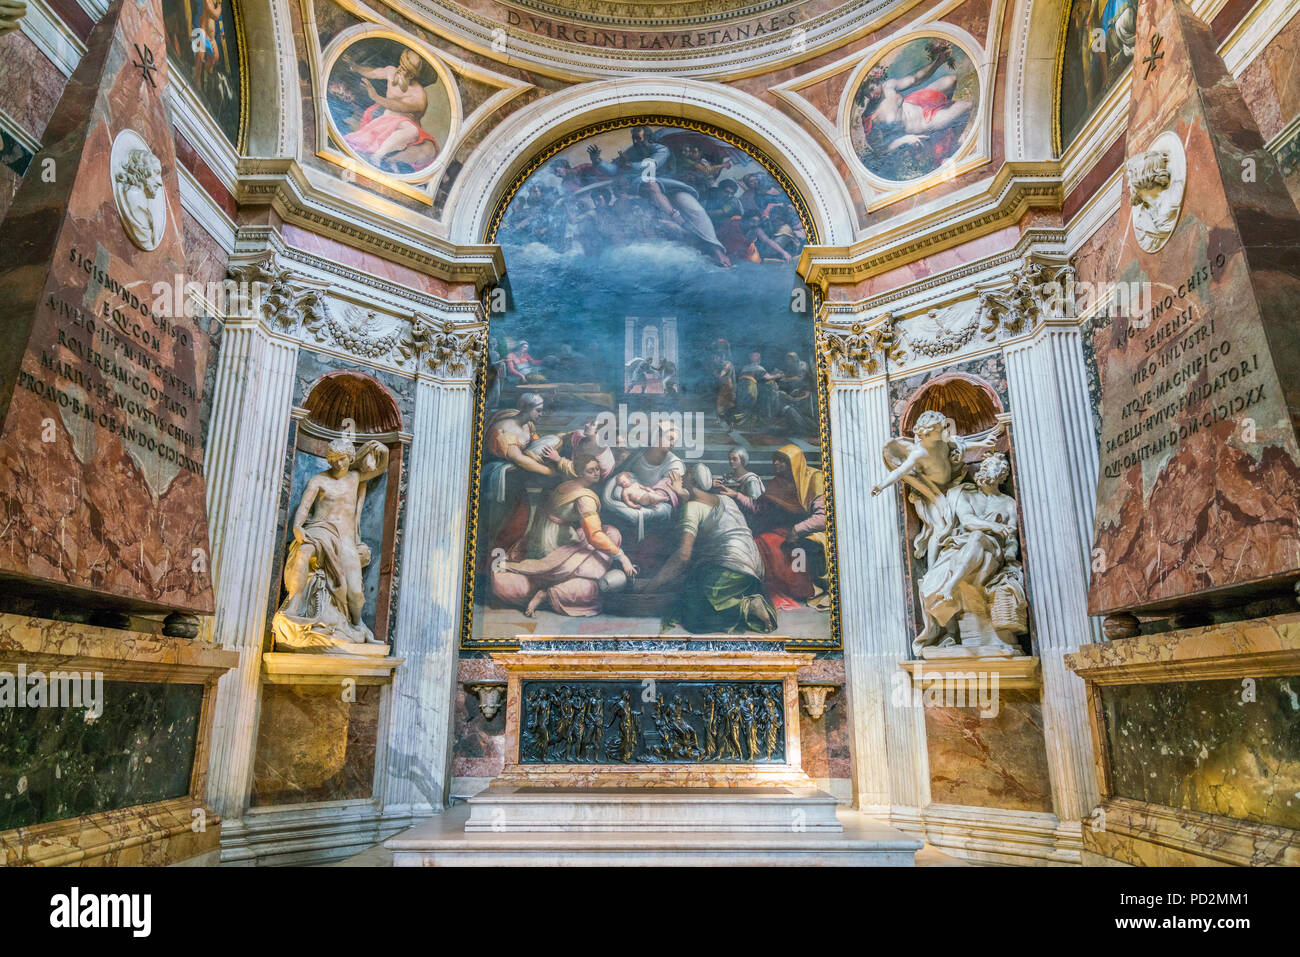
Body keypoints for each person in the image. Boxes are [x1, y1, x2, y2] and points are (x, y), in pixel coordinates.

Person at [273, 438, 389, 647]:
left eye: (342, 459)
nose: (337, 464)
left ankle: (356, 623)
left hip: (345, 538)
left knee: (354, 591)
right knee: (304, 551)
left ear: (350, 458)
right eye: (333, 460)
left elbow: (380, 467)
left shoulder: (355, 477)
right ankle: (294, 604)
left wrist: (380, 449)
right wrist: (297, 528)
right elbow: (304, 507)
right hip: (320, 528)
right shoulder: (319, 480)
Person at [638, 464, 778, 634]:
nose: (682, 476)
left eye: (687, 474)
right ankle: (748, 599)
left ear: (694, 481)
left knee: (691, 610)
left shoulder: (692, 508)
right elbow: (695, 499)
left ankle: (746, 607)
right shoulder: (725, 500)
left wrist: (652, 586)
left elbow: (683, 556)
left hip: (729, 567)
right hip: (754, 568)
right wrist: (680, 491)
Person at [719, 444, 830, 610]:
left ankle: (797, 589)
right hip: (783, 530)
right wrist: (736, 495)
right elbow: (758, 507)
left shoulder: (816, 479)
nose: (776, 463)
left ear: (794, 463)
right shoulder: (776, 483)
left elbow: (823, 518)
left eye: (782, 461)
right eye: (775, 460)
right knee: (757, 543)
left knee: (765, 545)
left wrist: (796, 530)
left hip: (807, 532)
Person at [856, 40, 973, 173]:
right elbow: (880, 149)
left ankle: (950, 123)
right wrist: (904, 139)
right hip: (923, 122)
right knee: (967, 106)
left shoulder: (888, 86)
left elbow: (915, 79)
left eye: (872, 88)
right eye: (868, 94)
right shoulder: (870, 116)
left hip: (919, 102)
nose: (873, 94)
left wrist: (938, 62)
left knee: (951, 80)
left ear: (876, 80)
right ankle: (956, 137)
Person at [343, 49, 439, 169]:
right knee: (411, 131)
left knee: (426, 147)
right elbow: (372, 72)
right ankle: (378, 156)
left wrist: (376, 97)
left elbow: (398, 106)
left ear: (411, 75)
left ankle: (387, 159)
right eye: (400, 65)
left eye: (403, 69)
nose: (398, 69)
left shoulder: (418, 94)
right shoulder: (392, 72)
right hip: (387, 119)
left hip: (406, 130)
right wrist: (355, 67)